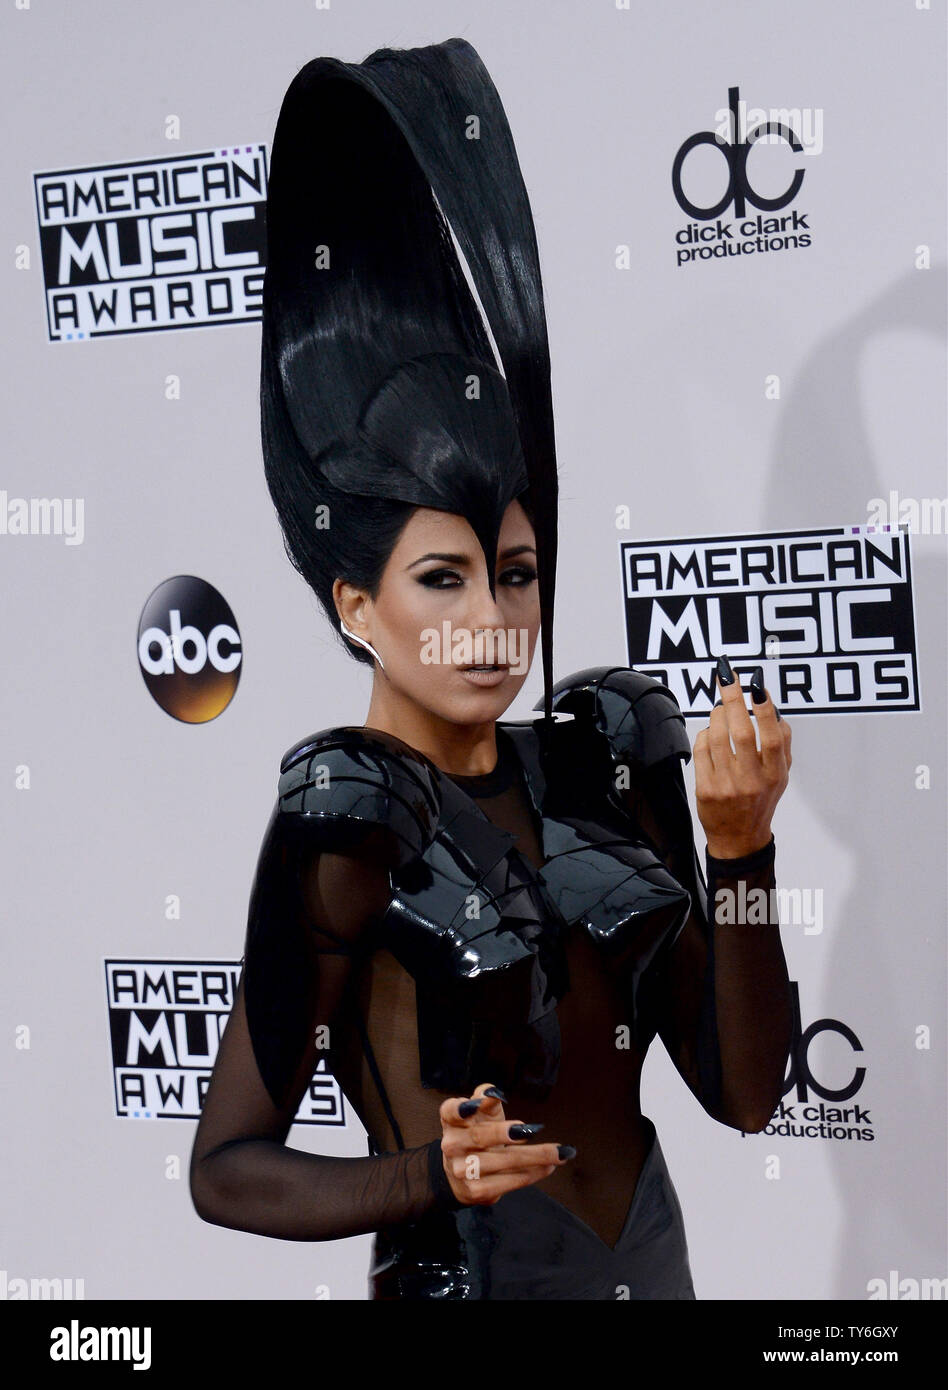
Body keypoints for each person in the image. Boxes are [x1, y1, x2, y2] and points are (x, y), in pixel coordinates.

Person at [188, 37, 794, 1300]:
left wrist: (740, 854)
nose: (490, 622)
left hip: (653, 1271)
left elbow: (744, 1094)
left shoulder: (601, 756)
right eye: (442, 579)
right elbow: (228, 1167)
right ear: (356, 602)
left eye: (514, 574)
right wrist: (429, 1179)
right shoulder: (346, 820)